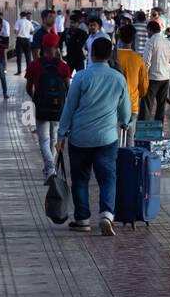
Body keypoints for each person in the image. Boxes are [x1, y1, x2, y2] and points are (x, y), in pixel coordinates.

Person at [55, 37, 133, 235]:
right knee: (107, 177)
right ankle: (107, 214)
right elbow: (125, 111)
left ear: (91, 54)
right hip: (107, 138)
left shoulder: (81, 77)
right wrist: (124, 122)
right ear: (109, 55)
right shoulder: (118, 78)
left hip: (79, 138)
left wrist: (61, 134)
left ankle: (82, 219)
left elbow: (69, 107)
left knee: (80, 178)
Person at [26, 32, 72, 180]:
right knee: (53, 139)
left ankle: (50, 168)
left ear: (43, 46)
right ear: (57, 46)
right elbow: (68, 87)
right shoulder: (64, 67)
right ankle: (49, 168)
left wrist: (35, 99)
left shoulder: (34, 65)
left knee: (44, 140)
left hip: (42, 108)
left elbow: (29, 87)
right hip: (59, 108)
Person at [115, 23, 150, 139]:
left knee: (115, 138)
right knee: (130, 138)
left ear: (119, 37)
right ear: (133, 39)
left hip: (114, 104)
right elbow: (144, 87)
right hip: (132, 104)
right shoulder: (138, 59)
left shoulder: (113, 57)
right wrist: (137, 94)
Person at [143, 21, 170, 122]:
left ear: (150, 30)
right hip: (165, 78)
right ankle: (159, 129)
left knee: (147, 104)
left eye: (147, 30)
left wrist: (143, 79)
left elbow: (146, 62)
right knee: (161, 106)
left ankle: (143, 129)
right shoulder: (167, 42)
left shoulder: (150, 41)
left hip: (153, 78)